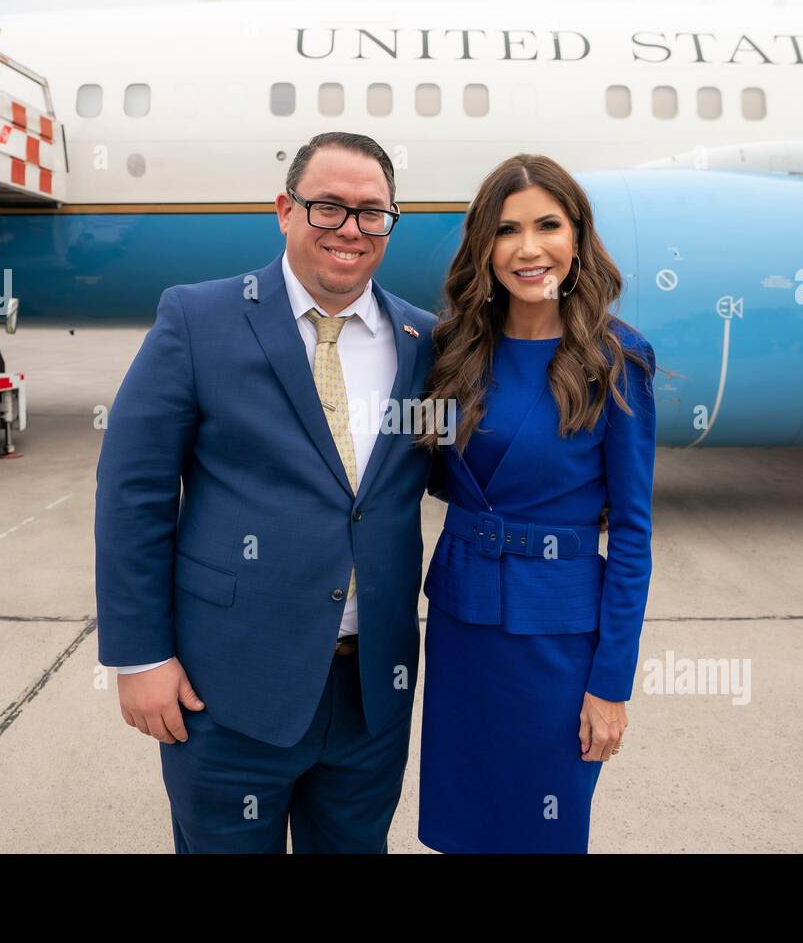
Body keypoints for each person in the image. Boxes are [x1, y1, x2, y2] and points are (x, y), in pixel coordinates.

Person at [94, 132, 439, 853]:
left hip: (371, 696)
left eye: (372, 212)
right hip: (227, 691)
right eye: (328, 208)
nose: (350, 229)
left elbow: (458, 469)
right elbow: (134, 494)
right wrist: (139, 657)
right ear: (285, 210)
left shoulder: (423, 342)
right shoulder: (198, 320)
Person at [415, 153, 658, 853]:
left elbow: (634, 535)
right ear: (483, 247)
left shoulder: (618, 358)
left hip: (557, 642)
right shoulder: (454, 352)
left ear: (577, 237)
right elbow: (424, 470)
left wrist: (611, 685)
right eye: (506, 229)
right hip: (463, 627)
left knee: (542, 831)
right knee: (464, 828)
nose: (528, 248)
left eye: (548, 225)